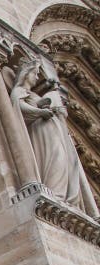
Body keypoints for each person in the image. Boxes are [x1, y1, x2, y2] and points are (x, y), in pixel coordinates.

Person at [11, 61, 100, 218]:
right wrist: (40, 112)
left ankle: (67, 198)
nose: (37, 77)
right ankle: (56, 194)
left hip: (53, 130)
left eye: (38, 74)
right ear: (26, 74)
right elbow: (19, 107)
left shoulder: (34, 94)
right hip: (41, 132)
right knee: (55, 159)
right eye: (35, 74)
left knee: (62, 160)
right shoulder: (19, 91)